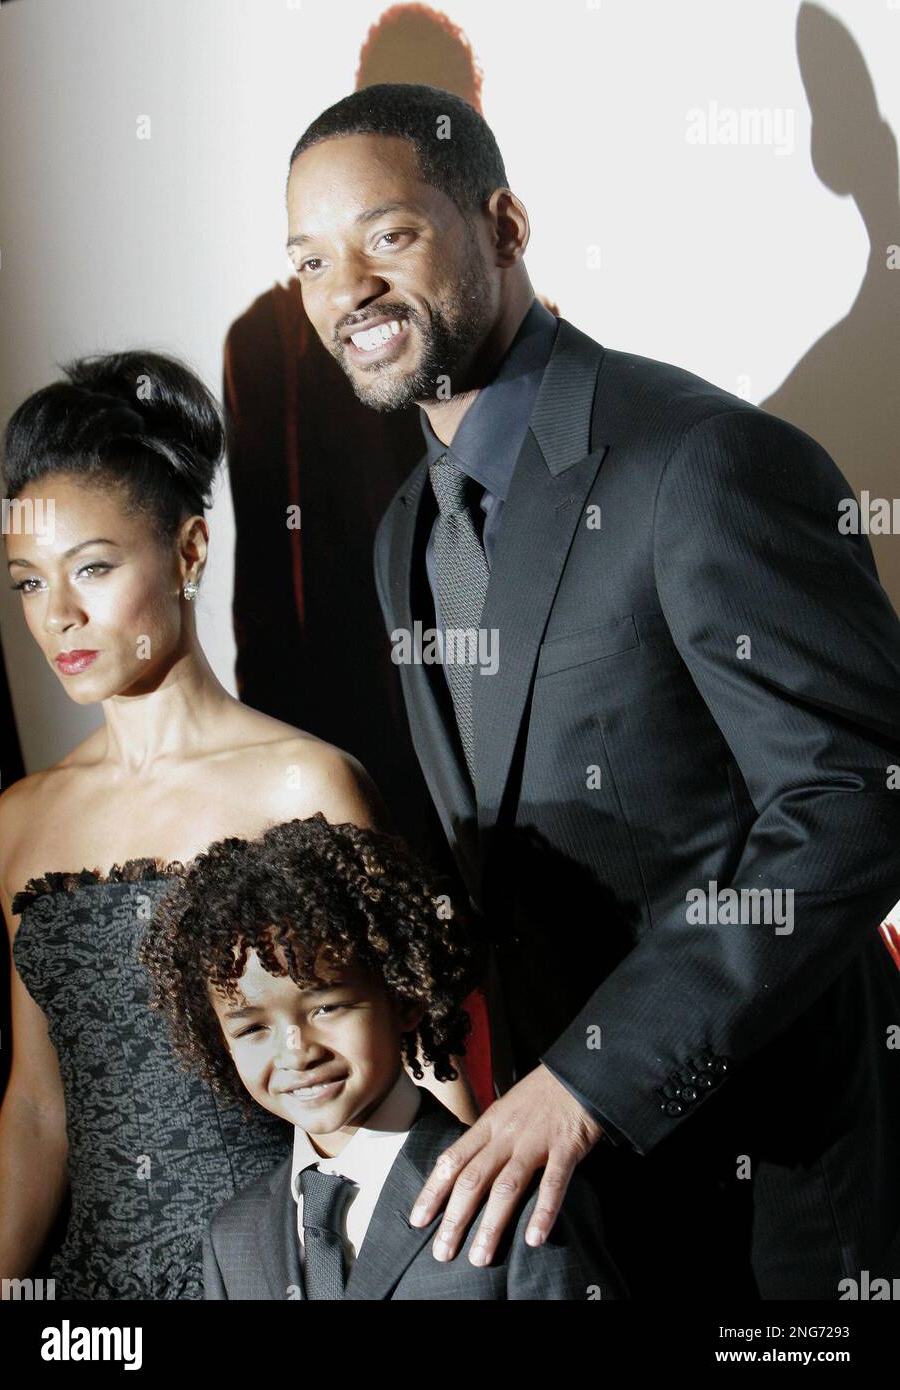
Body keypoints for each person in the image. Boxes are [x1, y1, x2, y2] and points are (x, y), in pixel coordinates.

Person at [283, 82, 900, 1298]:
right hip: (573, 1207)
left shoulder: (699, 459)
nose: (344, 288)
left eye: (387, 235)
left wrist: (593, 1080)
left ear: (504, 225)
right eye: (308, 260)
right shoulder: (404, 530)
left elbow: (853, 800)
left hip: (782, 1191)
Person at [0, 350, 476, 1299]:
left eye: (92, 567)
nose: (60, 617)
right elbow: (39, 1105)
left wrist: (458, 1259)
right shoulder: (19, 819)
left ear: (189, 551)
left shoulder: (304, 782)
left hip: (276, 1273)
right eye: (27, 582)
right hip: (89, 1298)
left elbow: (419, 1048)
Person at [140, 813, 627, 1300]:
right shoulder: (232, 1238)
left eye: (326, 1006)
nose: (297, 1051)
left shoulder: (516, 1194)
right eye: (251, 1028)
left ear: (405, 998)